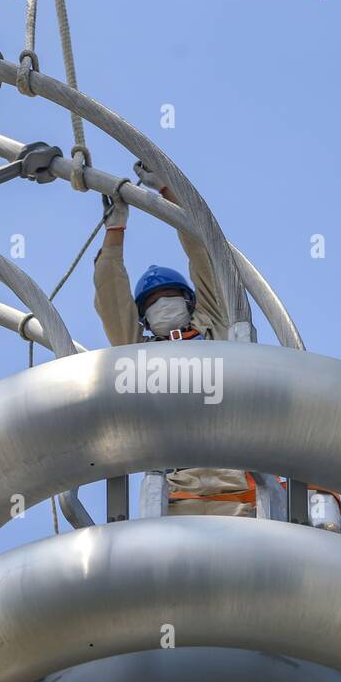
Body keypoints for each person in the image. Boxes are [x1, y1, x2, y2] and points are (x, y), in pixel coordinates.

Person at [93, 162, 257, 517]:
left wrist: (169, 194)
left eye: (167, 296)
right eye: (151, 303)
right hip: (181, 494)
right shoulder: (141, 354)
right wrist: (116, 229)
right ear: (144, 317)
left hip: (239, 489)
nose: (160, 305)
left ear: (189, 300)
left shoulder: (215, 328)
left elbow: (203, 253)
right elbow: (110, 297)